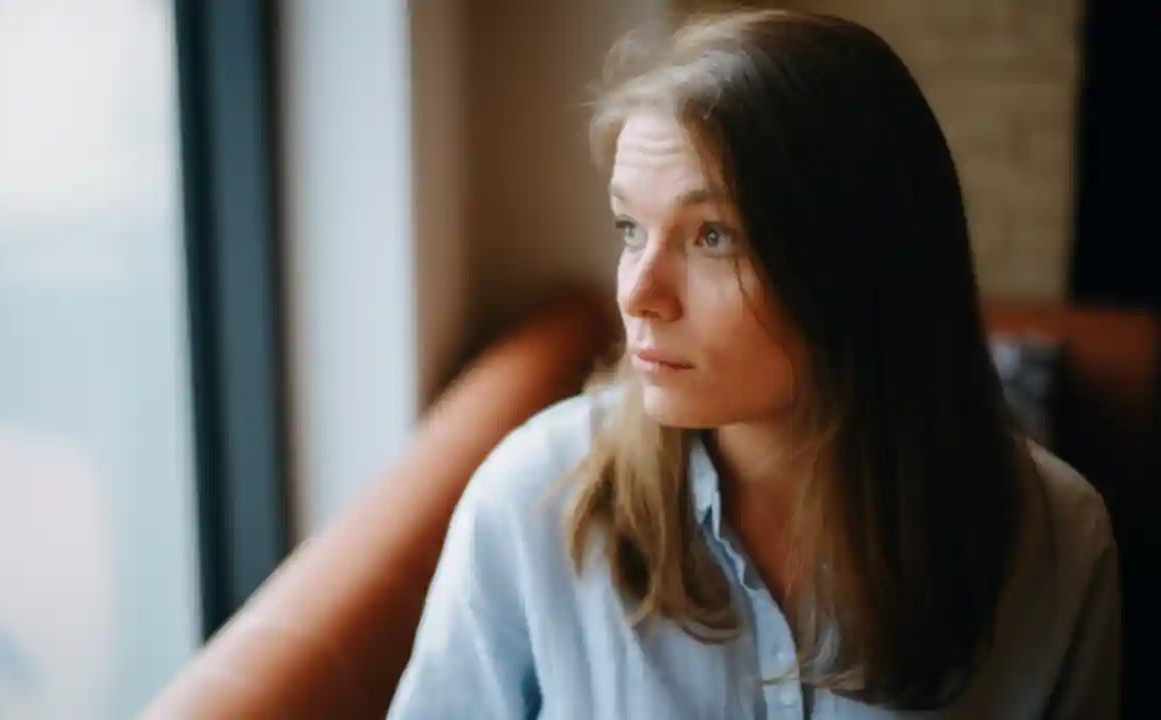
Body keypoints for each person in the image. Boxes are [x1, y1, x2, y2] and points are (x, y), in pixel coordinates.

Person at [387, 9, 1119, 719]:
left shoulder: (1054, 543)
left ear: (862, 262)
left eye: (712, 237)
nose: (640, 295)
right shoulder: (534, 500)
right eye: (629, 228)